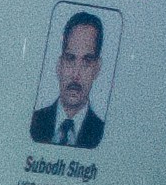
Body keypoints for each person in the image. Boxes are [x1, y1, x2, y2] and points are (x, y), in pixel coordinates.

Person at [30, 12, 108, 147]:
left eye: (87, 61)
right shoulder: (35, 121)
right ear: (59, 65)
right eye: (70, 58)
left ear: (97, 68)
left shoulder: (101, 132)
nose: (75, 74)